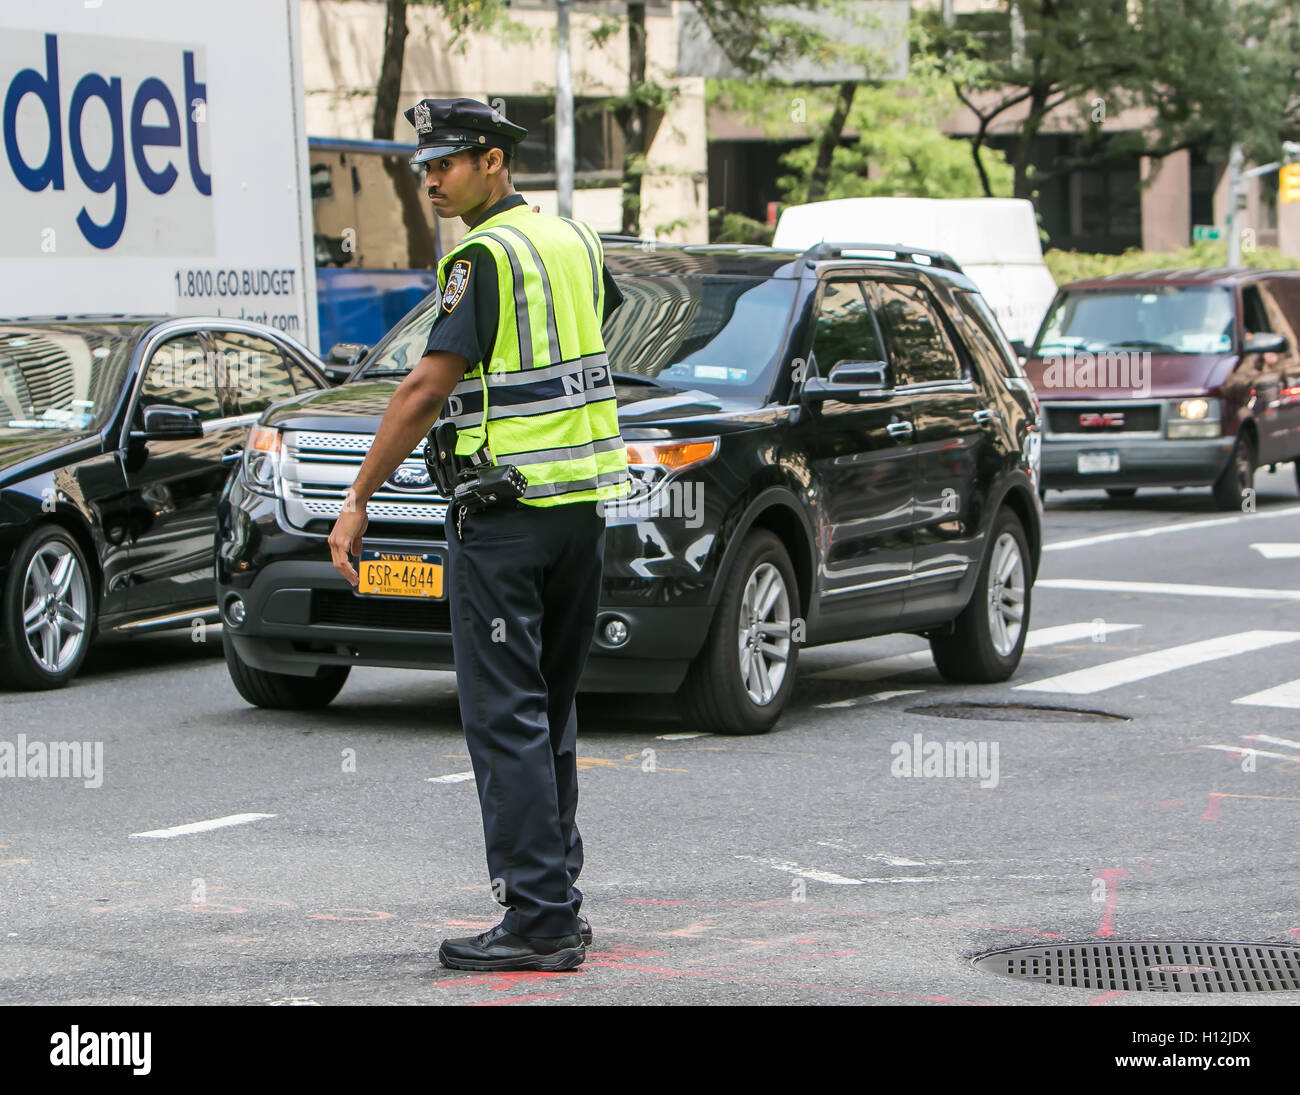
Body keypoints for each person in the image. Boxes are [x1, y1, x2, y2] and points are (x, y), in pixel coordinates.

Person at [326, 97, 630, 972]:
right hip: (578, 510)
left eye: (448, 162)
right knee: (549, 710)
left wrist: (358, 498)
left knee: (505, 717)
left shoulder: (481, 256)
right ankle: (556, 894)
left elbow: (424, 388)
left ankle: (539, 919)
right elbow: (588, 330)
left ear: (494, 161)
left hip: (506, 516)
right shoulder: (573, 239)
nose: (431, 177)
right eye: (426, 164)